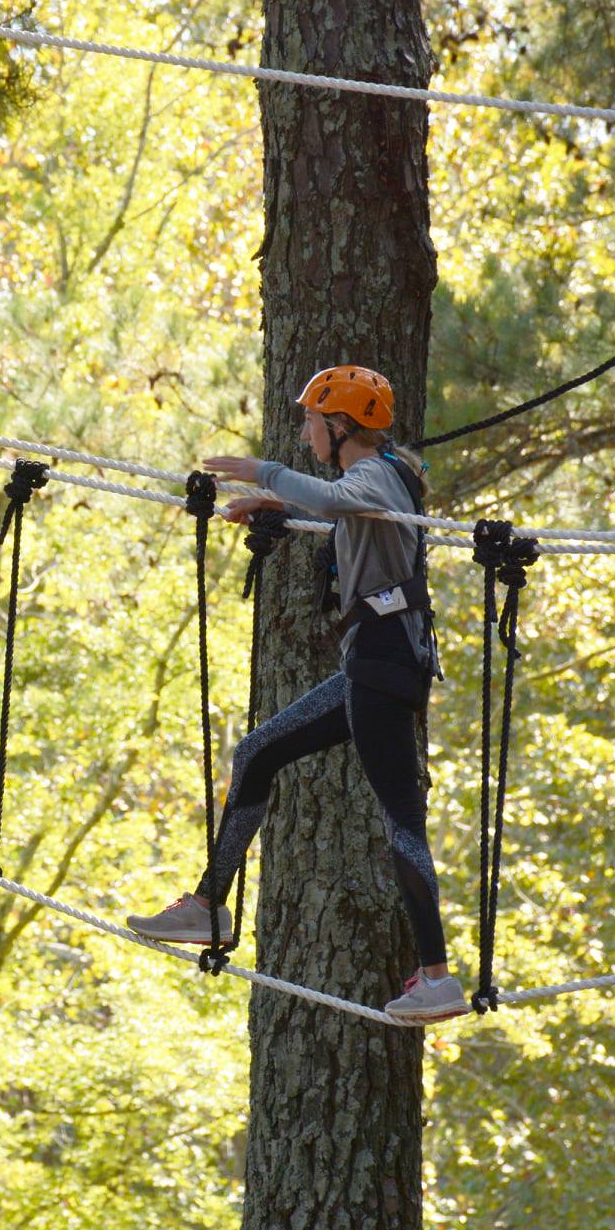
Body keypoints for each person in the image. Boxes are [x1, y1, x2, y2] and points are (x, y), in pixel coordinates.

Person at [127, 366, 467, 1023]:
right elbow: (344, 512)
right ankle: (208, 905)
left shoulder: (370, 477)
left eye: (312, 420)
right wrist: (281, 508)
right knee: (257, 752)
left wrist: (267, 474)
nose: (305, 430)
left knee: (401, 822)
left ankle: (436, 975)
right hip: (373, 665)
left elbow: (342, 501)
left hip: (383, 668)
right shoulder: (374, 479)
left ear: (339, 428)